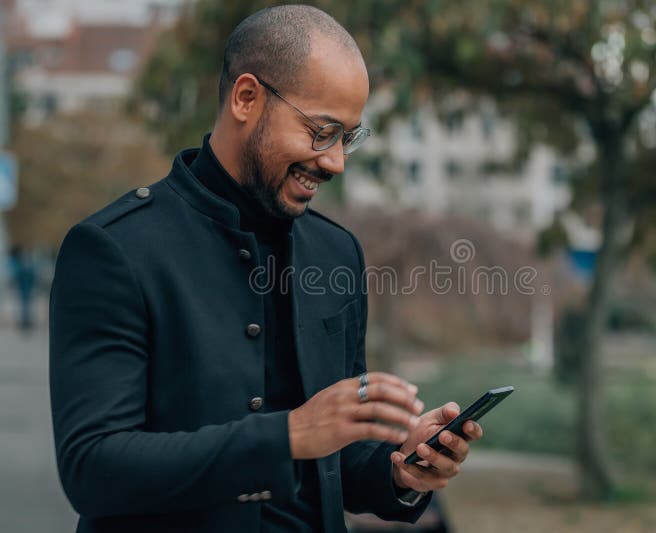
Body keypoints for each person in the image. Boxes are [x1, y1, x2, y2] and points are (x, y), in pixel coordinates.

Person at [49, 6, 483, 533]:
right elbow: (93, 470)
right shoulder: (114, 248)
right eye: (322, 131)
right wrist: (289, 435)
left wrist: (400, 469)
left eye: (348, 137)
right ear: (246, 98)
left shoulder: (337, 252)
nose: (336, 161)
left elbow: (337, 464)